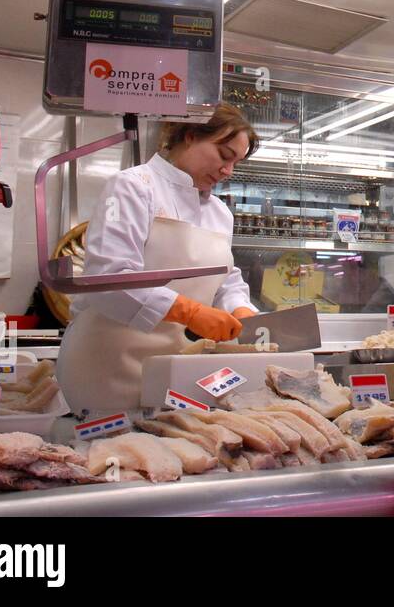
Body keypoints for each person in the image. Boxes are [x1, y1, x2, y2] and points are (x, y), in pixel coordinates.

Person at [56, 104, 261, 417]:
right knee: (109, 457)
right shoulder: (133, 186)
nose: (228, 171)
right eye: (224, 155)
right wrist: (188, 311)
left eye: (236, 162)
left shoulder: (220, 213)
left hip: (174, 366)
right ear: (190, 136)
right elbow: (108, 277)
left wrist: (239, 307)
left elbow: (226, 278)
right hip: (107, 362)